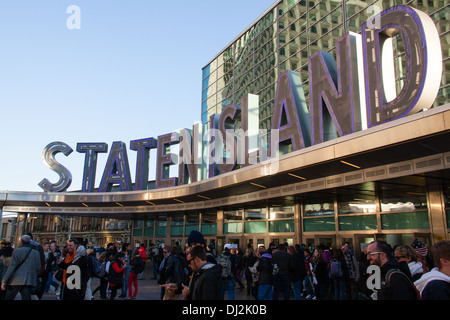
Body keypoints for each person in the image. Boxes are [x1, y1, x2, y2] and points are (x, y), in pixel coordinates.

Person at [1, 235, 42, 300]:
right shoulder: (36, 253)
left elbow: (12, 267)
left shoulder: (17, 251)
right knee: (26, 298)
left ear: (21, 242)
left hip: (16, 279)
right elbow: (38, 267)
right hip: (28, 279)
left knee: (8, 297)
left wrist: (4, 281)